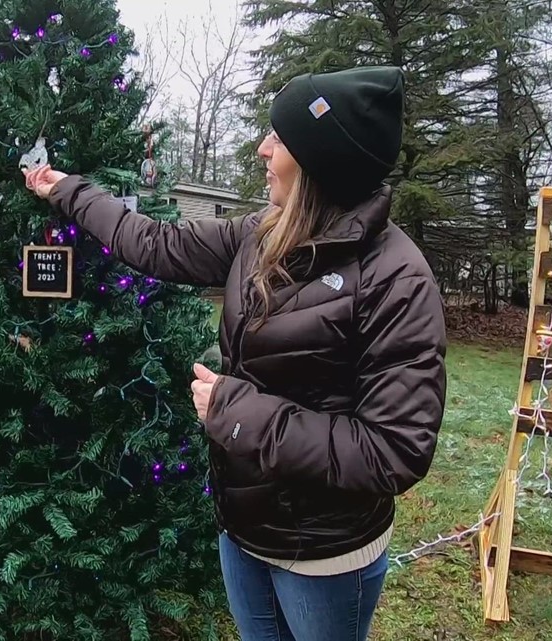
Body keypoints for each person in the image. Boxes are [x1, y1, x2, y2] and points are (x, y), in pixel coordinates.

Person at [24, 65, 446, 641]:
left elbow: (392, 451)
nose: (262, 148)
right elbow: (153, 242)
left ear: (320, 161)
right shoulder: (261, 233)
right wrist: (68, 189)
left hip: (323, 554)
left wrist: (236, 413)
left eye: (281, 137)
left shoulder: (395, 278)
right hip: (242, 528)